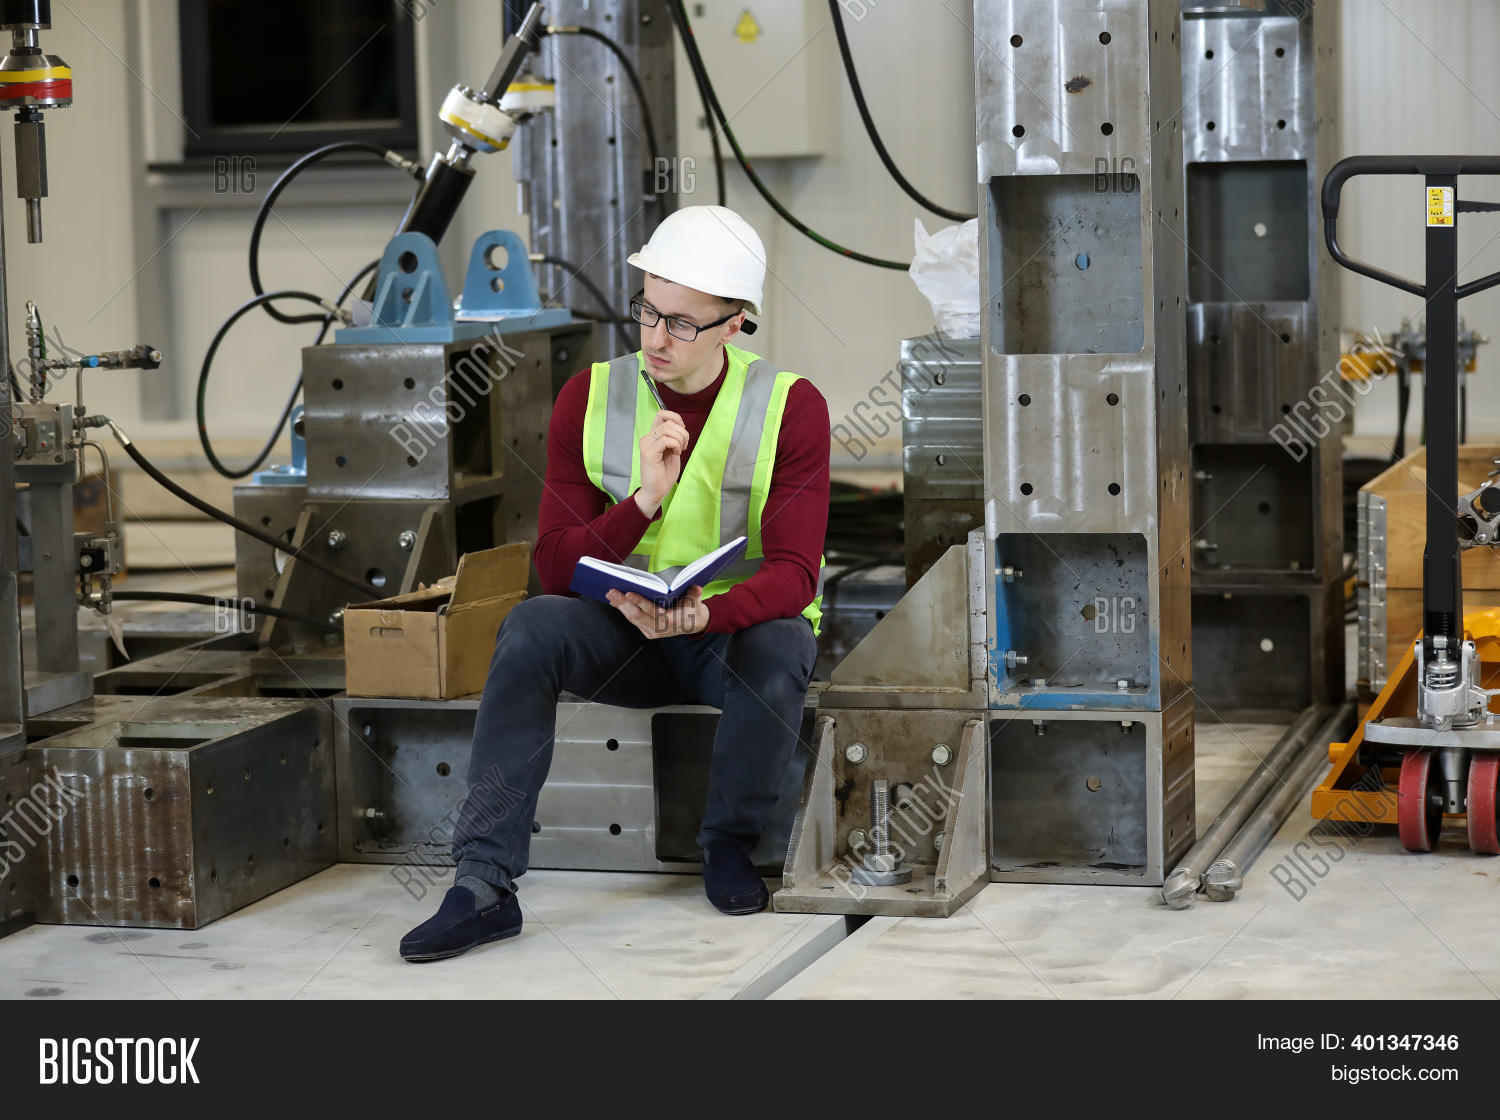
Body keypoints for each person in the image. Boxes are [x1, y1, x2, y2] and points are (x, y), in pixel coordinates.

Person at [400, 205, 830, 962]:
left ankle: (726, 844)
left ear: (736, 325)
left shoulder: (791, 407)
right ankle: (483, 883)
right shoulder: (589, 397)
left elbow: (795, 575)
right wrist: (643, 502)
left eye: (684, 323)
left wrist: (706, 617)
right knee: (530, 625)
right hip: (618, 631)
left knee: (786, 641)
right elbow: (557, 563)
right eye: (648, 311)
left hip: (721, 637)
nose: (657, 338)